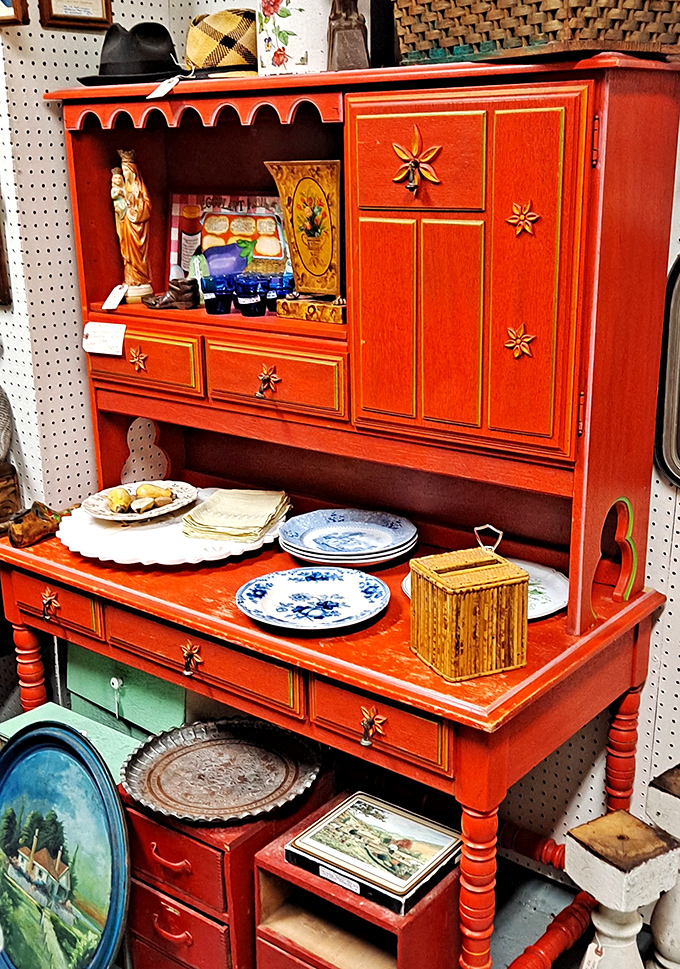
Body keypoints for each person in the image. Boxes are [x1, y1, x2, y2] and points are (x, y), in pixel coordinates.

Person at [111, 149, 152, 297]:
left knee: (138, 255)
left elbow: (147, 207)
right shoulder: (123, 187)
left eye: (127, 170)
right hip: (126, 225)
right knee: (127, 254)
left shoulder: (139, 188)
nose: (125, 173)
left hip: (137, 226)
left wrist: (132, 207)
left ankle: (140, 278)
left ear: (133, 172)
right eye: (123, 170)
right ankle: (130, 279)